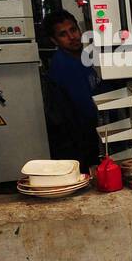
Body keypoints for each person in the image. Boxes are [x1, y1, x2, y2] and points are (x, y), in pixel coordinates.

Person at [41, 9, 102, 171]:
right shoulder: (63, 65)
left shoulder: (83, 56)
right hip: (78, 143)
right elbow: (86, 108)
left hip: (89, 135)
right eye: (63, 34)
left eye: (73, 30)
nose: (72, 37)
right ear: (54, 40)